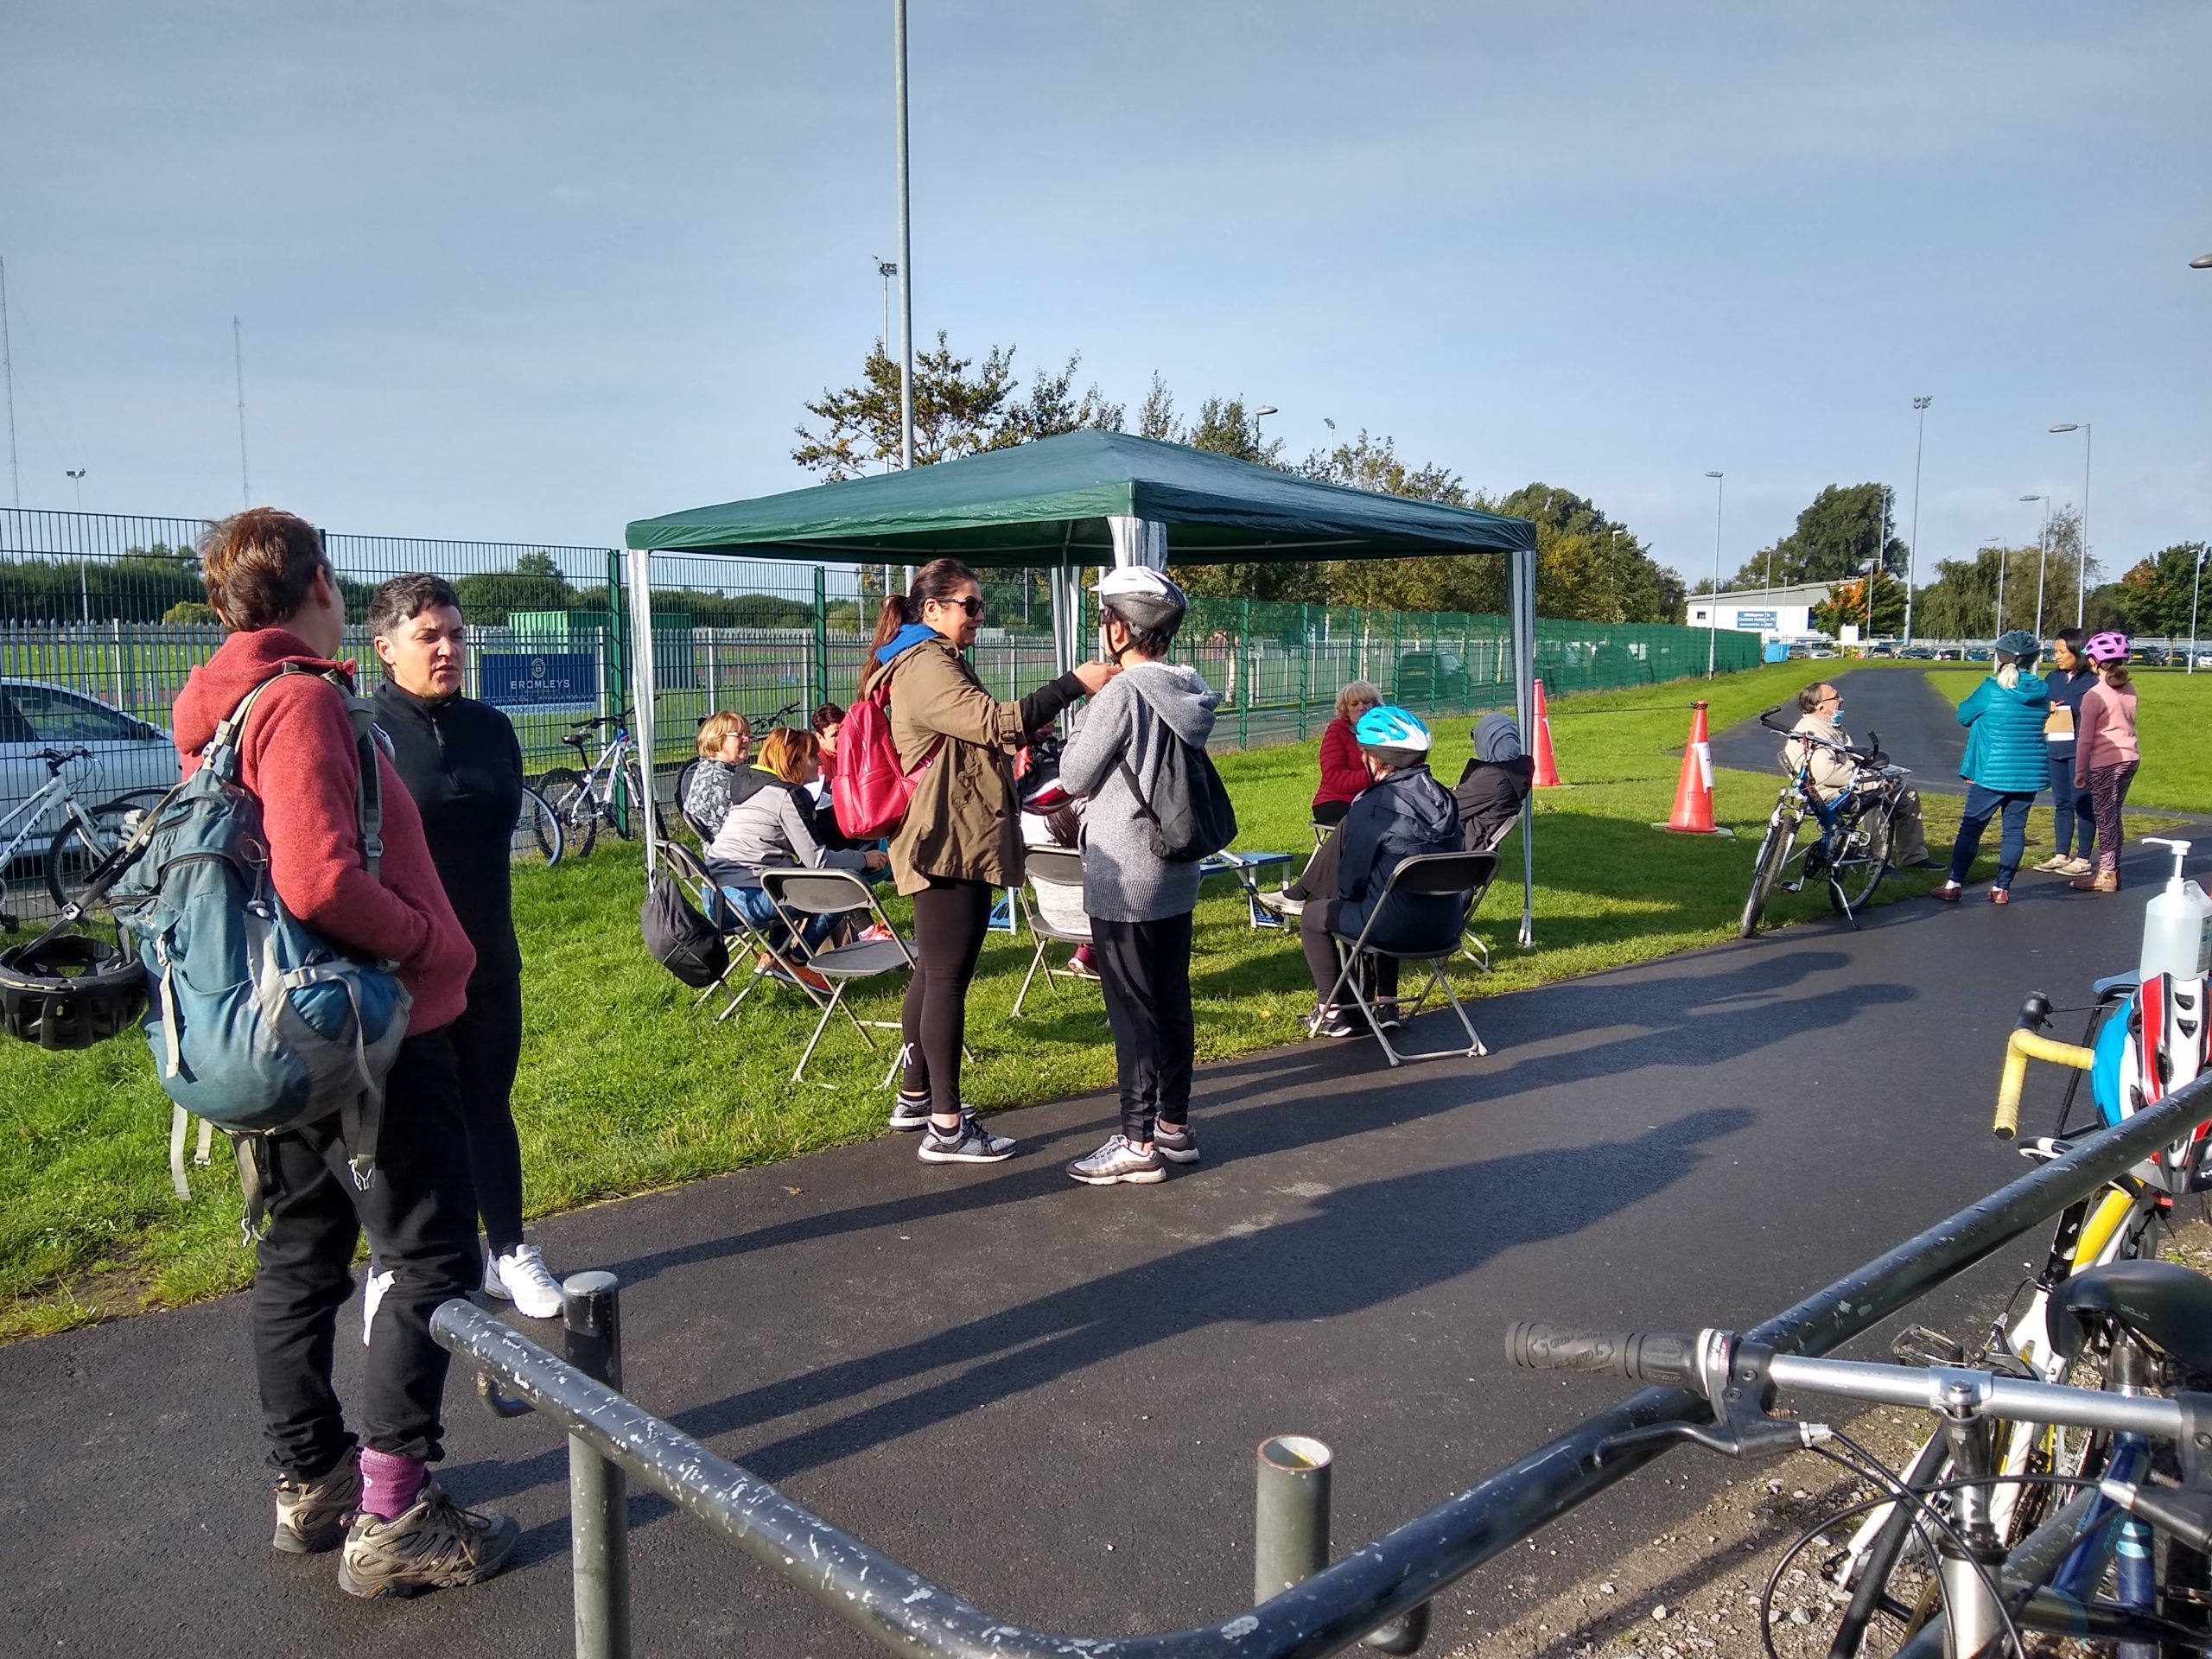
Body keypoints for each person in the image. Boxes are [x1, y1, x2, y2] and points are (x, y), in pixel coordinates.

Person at [175, 510, 514, 1599]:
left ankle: (308, 1480)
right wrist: (427, 941)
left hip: (278, 1026)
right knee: (427, 1262)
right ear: (320, 583)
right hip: (369, 1031)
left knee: (303, 1255)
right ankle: (395, 1511)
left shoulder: (216, 704)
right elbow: (320, 877)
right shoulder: (305, 700)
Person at [863, 559, 1117, 1161]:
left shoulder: (930, 658)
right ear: (932, 610)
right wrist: (1073, 683)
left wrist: (1023, 734)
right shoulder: (925, 663)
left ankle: (917, 1097)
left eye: (980, 607)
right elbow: (990, 721)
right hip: (949, 837)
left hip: (954, 830)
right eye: (969, 606)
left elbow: (978, 736)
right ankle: (947, 1128)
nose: (980, 617)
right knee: (948, 979)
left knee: (933, 971)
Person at [366, 574, 563, 1323]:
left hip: (486, 956)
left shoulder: (490, 727)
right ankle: (394, 1263)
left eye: (455, 634)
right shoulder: (368, 734)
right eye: (428, 637)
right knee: (408, 1120)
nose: (448, 649)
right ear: (386, 649)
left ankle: (508, 1251)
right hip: (405, 966)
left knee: (487, 1105)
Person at [1057, 567, 1220, 1185]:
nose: (1102, 628)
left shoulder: (1123, 693)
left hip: (1126, 871)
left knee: (1131, 1009)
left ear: (1122, 628)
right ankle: (1173, 1128)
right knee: (1171, 998)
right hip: (1175, 867)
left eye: (1105, 618)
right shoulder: (1190, 687)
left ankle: (1137, 1141)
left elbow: (1074, 773)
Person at [1300, 706, 1464, 1037]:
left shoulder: (1371, 806)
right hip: (1446, 928)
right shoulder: (1446, 800)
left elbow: (1351, 882)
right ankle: (1387, 1003)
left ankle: (1331, 1011)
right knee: (1389, 900)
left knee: (1316, 915)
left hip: (1392, 929)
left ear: (1375, 759)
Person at [707, 726, 888, 956]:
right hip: (745, 901)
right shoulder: (786, 796)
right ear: (795, 761)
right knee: (843, 889)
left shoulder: (753, 788)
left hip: (717, 898)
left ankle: (775, 956)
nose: (819, 761)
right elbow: (819, 862)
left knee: (792, 878)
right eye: (812, 756)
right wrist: (863, 858)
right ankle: (800, 958)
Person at [1932, 630, 2050, 906]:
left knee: (1972, 828)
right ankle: (2001, 889)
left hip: (1990, 771)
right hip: (2028, 773)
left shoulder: (1990, 689)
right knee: (2014, 830)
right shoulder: (2042, 691)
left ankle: (1954, 883)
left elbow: (1963, 716)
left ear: (1999, 657)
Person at [1779, 681, 1932, 868]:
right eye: (1836, 697)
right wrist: (1873, 782)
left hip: (1843, 784)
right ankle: (1878, 863)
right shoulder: (1812, 731)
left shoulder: (1828, 726)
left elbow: (1848, 758)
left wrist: (1874, 771)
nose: (1841, 700)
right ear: (1820, 706)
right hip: (1827, 791)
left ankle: (1914, 857)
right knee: (1878, 797)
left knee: (1907, 792)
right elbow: (1826, 773)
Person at [2070, 632, 2140, 894]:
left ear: (2093, 661)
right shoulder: (2130, 688)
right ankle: (2112, 869)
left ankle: (2107, 874)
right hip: (2130, 757)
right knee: (2113, 815)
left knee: (2106, 817)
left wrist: (2080, 771)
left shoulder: (2095, 694)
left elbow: (2085, 739)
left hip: (2107, 762)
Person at [2036, 628, 2098, 877]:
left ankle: (2083, 858)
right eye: (2055, 652)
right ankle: (2061, 854)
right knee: (2061, 803)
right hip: (2055, 747)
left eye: (2062, 652)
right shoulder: (2052, 678)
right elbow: (2040, 703)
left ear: (2078, 652)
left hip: (2081, 750)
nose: (2057, 657)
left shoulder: (2093, 680)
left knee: (2082, 802)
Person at [1452, 712, 1535, 851]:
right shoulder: (1516, 769)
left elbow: (1448, 806)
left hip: (1463, 846)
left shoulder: (1494, 778)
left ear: (1488, 740)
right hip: (1476, 842)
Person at [1313, 680, 1382, 826]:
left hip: (1375, 800)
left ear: (1374, 706)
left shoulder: (1383, 731)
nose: (1361, 708)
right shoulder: (1337, 731)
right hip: (1336, 801)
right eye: (1354, 704)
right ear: (1345, 709)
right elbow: (1334, 776)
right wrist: (1373, 775)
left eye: (1366, 702)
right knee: (1373, 824)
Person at [683, 710, 753, 837]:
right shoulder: (718, 780)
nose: (747, 739)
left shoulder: (707, 768)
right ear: (718, 739)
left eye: (748, 735)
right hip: (732, 854)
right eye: (739, 735)